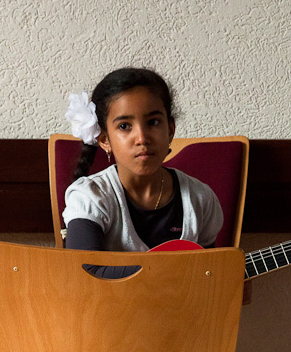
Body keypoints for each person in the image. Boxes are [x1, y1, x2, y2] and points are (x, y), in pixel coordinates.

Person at [62, 68, 223, 256]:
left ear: (170, 130)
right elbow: (87, 270)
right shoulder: (90, 197)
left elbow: (211, 275)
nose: (142, 138)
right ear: (105, 139)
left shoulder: (200, 198)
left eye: (153, 122)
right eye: (124, 126)